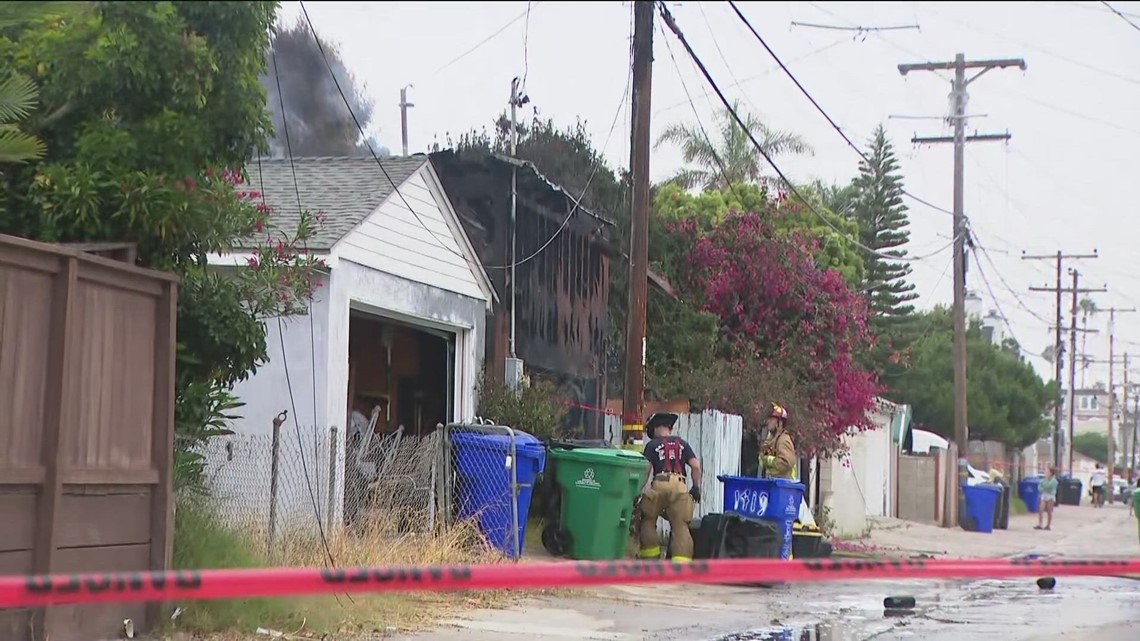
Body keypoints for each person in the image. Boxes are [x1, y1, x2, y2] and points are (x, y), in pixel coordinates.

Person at [638, 412, 702, 562]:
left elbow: (646, 470)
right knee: (681, 526)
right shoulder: (683, 444)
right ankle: (680, 565)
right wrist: (696, 487)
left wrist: (638, 491)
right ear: (670, 428)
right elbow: (696, 466)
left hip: (659, 484)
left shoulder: (652, 445)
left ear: (654, 428)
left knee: (648, 519)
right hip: (680, 486)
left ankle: (651, 559)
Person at [760, 402, 797, 480]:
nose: (768, 422)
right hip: (773, 485)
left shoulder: (783, 440)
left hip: (784, 487)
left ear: (780, 423)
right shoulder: (771, 439)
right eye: (768, 419)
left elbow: (785, 463)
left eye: (772, 419)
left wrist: (768, 460)